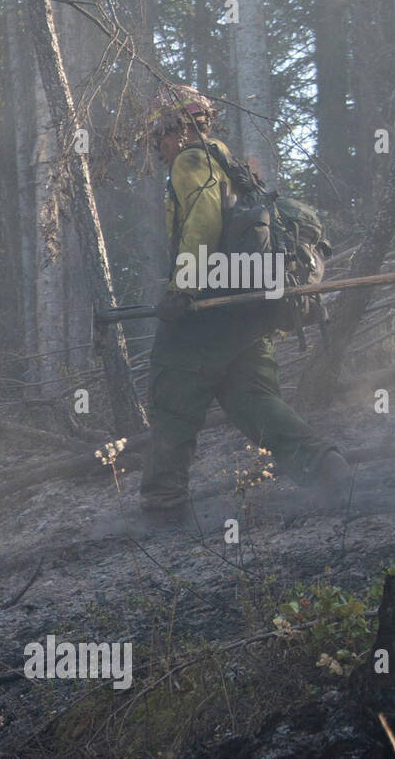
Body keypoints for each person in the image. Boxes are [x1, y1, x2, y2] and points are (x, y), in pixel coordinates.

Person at [139, 84, 352, 526]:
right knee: (253, 399)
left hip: (209, 307)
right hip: (248, 307)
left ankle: (164, 509)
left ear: (173, 128)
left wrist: (182, 288)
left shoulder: (190, 159)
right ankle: (326, 469)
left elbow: (203, 221)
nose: (157, 147)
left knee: (172, 395)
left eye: (157, 135)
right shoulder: (227, 161)